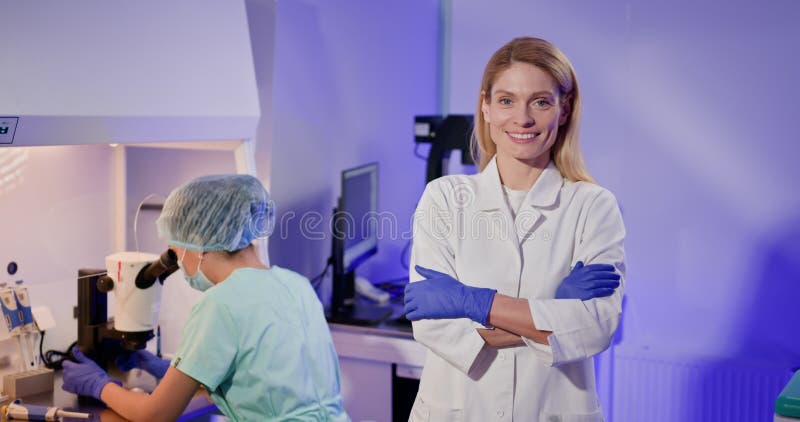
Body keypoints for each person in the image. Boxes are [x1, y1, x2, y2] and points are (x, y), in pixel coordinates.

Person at [403, 37, 626, 421]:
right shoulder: (444, 198)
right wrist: (554, 314)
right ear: (486, 107)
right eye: (506, 100)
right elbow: (433, 328)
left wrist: (473, 301)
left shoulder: (593, 205)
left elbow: (597, 327)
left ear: (564, 109)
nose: (522, 118)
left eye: (540, 101)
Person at [62, 174, 350, 422]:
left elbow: (155, 415)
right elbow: (259, 376)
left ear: (197, 244)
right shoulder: (295, 284)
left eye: (174, 251)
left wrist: (99, 385)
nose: (177, 263)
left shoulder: (221, 304)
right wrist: (161, 368)